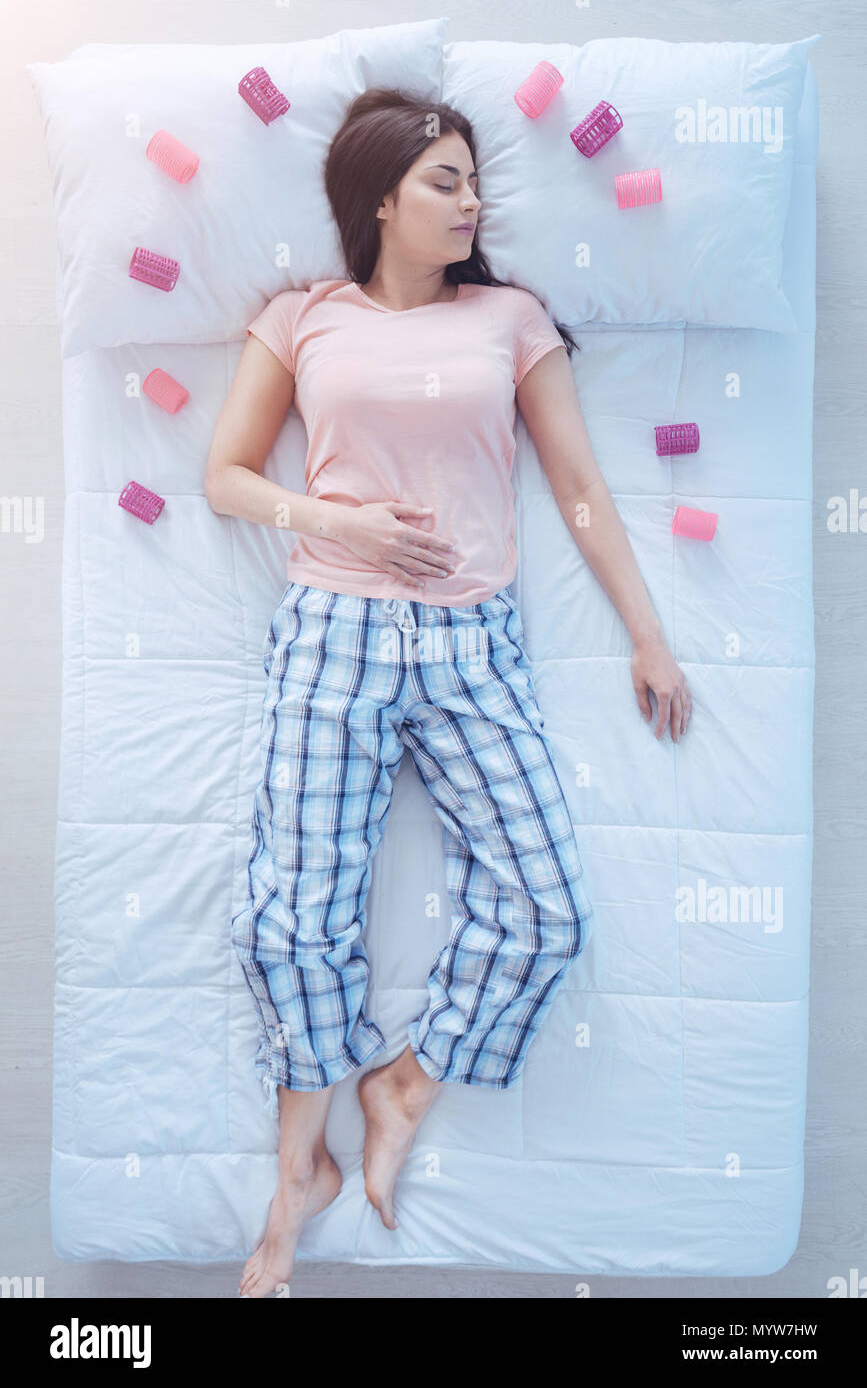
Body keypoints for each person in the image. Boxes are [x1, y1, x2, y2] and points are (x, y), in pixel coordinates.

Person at [205, 87, 691, 1298]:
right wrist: (335, 519)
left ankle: (407, 1080)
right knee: (292, 913)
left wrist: (648, 633)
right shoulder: (301, 317)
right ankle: (294, 1178)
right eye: (445, 182)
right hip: (334, 626)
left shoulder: (510, 318)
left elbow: (577, 484)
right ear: (378, 197)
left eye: (477, 183)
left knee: (549, 907)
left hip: (474, 641)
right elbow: (222, 476)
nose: (473, 203)